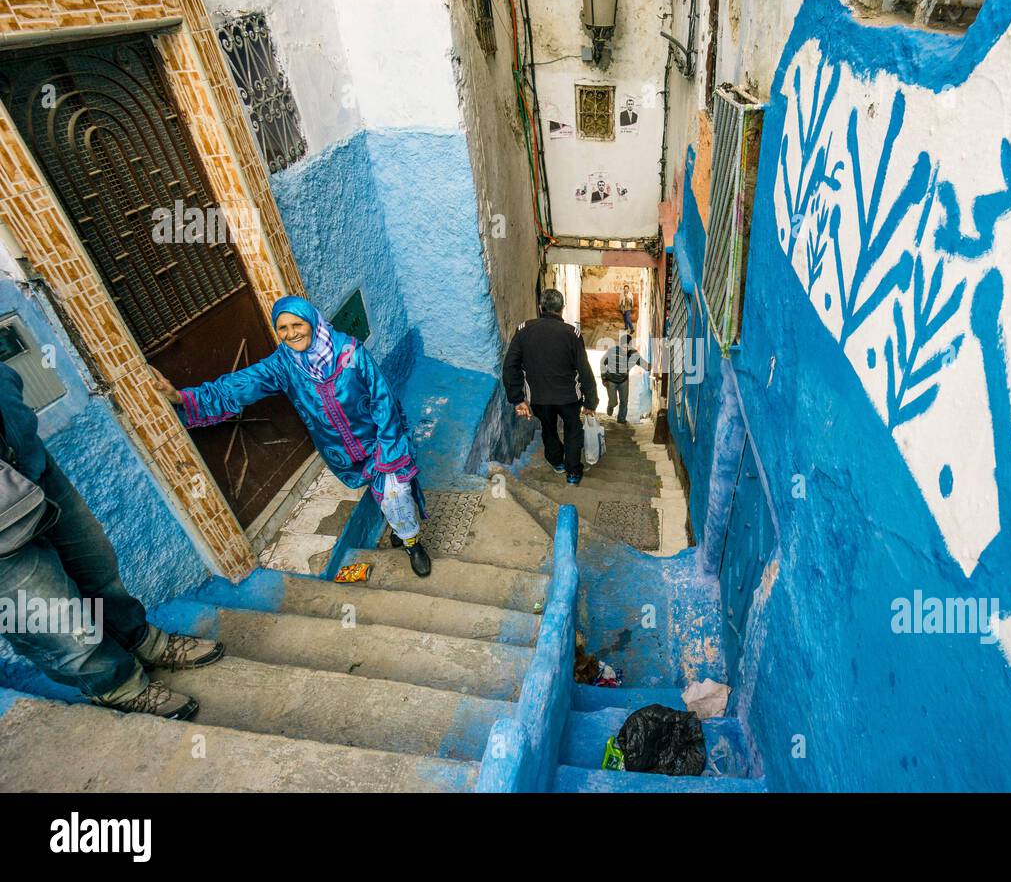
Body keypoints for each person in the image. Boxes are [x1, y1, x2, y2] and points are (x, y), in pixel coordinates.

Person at [0, 362, 224, 721]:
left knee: (96, 565)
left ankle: (141, 640)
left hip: (31, 465)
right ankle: (117, 686)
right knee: (47, 613)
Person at [151, 296, 433, 577]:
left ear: (312, 322)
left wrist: (388, 443)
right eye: (282, 327)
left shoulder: (350, 352)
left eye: (297, 324)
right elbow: (236, 387)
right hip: (342, 452)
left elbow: (381, 398)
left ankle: (412, 544)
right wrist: (180, 397)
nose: (291, 333)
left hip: (380, 440)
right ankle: (400, 527)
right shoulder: (283, 365)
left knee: (397, 493)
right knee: (388, 495)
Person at [503, 289, 597, 485]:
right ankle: (573, 473)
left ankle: (556, 462)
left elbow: (510, 365)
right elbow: (584, 369)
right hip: (569, 398)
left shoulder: (524, 330)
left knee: (548, 428)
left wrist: (517, 398)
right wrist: (591, 401)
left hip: (539, 397)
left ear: (540, 307)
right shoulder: (572, 333)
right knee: (573, 430)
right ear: (562, 309)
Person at [600, 332, 647, 424]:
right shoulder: (612, 351)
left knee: (624, 401)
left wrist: (651, 366)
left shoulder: (633, 354)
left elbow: (644, 364)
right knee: (614, 402)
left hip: (623, 380)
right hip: (611, 380)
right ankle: (611, 405)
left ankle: (621, 419)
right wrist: (604, 378)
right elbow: (602, 362)